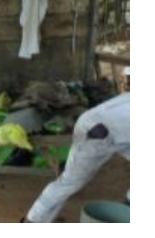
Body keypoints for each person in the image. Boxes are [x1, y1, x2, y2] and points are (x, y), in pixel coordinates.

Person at [23, 93, 130, 222]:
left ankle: (128, 206)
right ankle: (34, 220)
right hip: (97, 133)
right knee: (69, 182)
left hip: (114, 131)